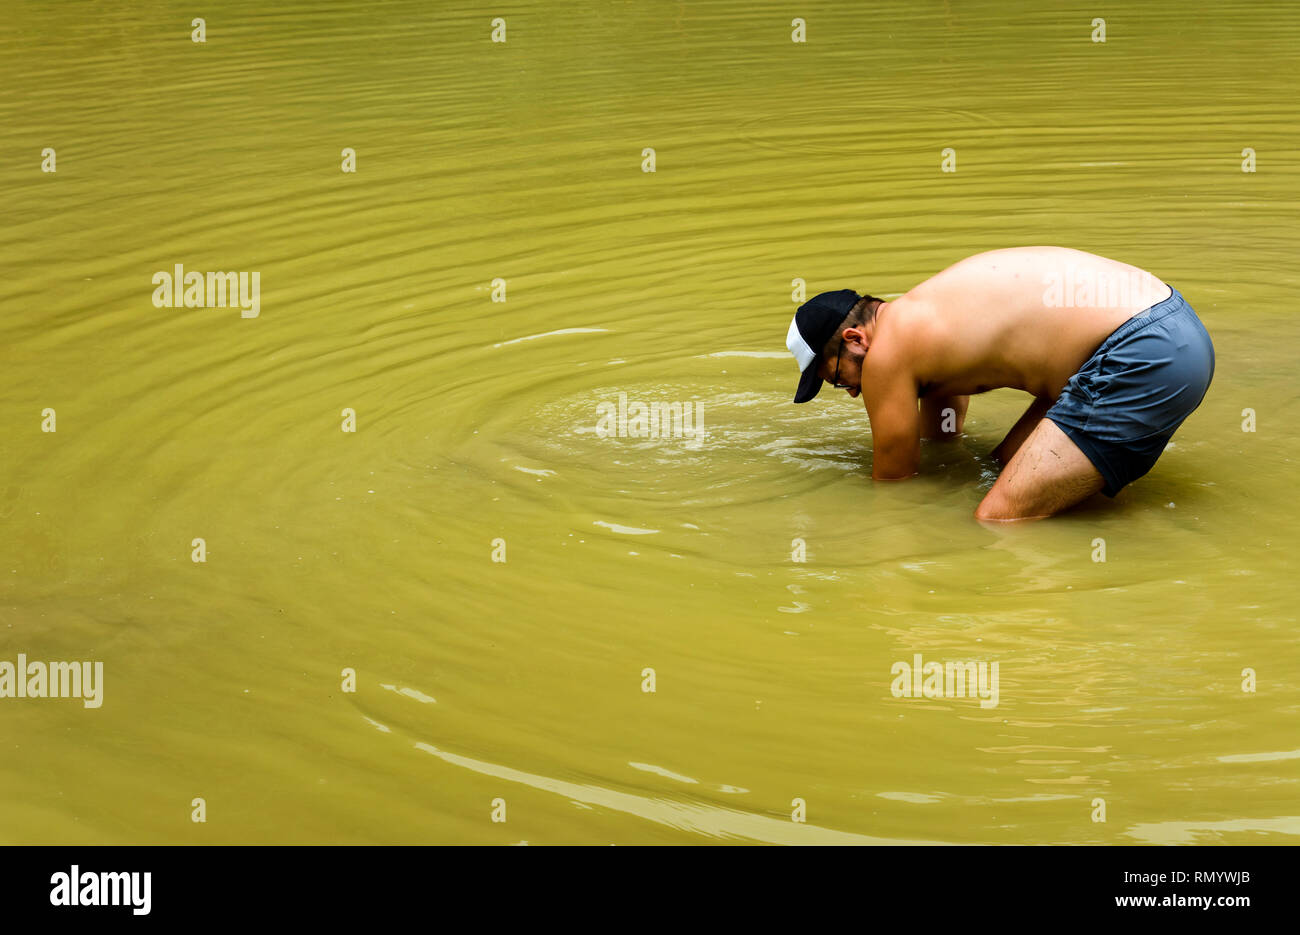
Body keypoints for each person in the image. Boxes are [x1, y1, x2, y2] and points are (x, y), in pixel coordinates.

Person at [784, 246, 1215, 520]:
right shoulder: (925, 321)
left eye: (840, 379)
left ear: (855, 339)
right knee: (1004, 466)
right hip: (1174, 324)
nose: (856, 393)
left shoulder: (887, 356)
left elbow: (895, 484)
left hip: (1138, 353)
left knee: (997, 517)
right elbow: (944, 441)